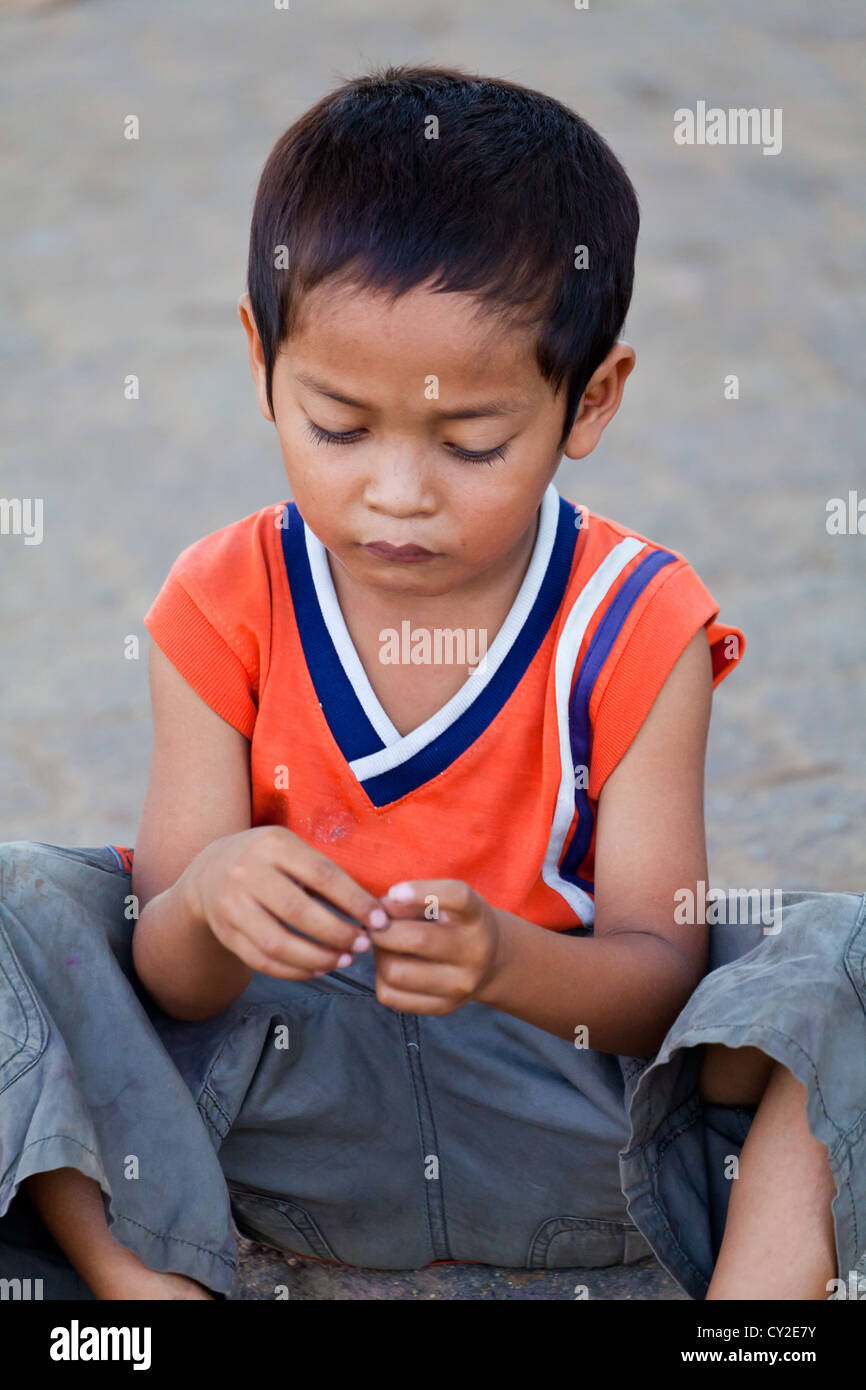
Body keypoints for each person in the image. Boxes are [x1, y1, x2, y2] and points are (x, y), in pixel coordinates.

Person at [1, 64, 863, 1302]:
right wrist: (209, 897)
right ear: (259, 361)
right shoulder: (220, 598)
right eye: (339, 427)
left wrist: (503, 960)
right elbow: (165, 987)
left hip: (566, 1135)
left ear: (590, 399)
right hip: (283, 1133)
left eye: (470, 443)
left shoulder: (634, 621)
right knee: (24, 904)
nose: (396, 493)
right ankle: (148, 1291)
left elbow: (655, 971)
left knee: (836, 952)